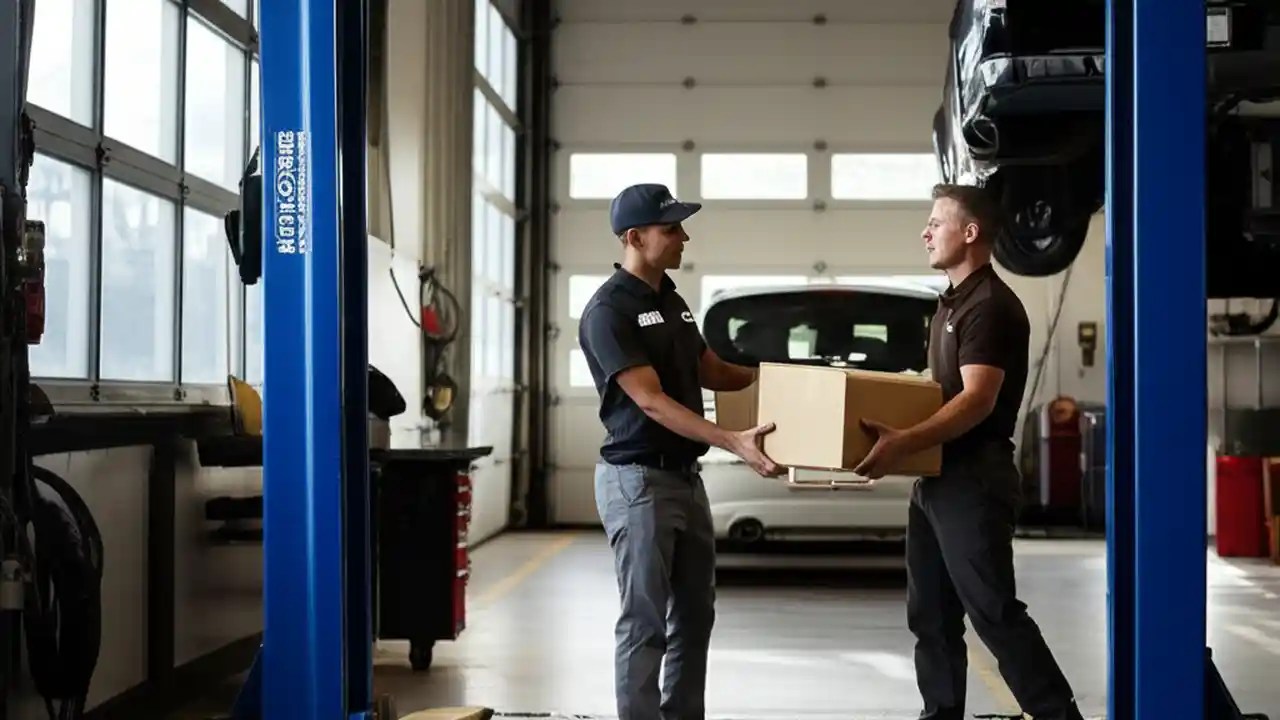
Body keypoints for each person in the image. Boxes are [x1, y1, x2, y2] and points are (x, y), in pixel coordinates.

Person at [854, 184, 1085, 720]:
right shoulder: (950, 303)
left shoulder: (990, 306)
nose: (926, 232)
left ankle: (1057, 715)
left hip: (973, 477)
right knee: (930, 615)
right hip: (936, 475)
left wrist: (903, 443)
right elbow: (942, 389)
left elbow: (978, 400)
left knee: (993, 611)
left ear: (971, 233)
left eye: (937, 222)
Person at [577, 182, 784, 720]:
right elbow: (650, 401)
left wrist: (782, 381)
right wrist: (732, 440)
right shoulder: (608, 311)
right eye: (671, 229)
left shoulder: (670, 299)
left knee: (695, 613)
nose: (683, 237)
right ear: (634, 238)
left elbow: (707, 368)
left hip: (684, 480)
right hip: (638, 481)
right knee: (644, 621)